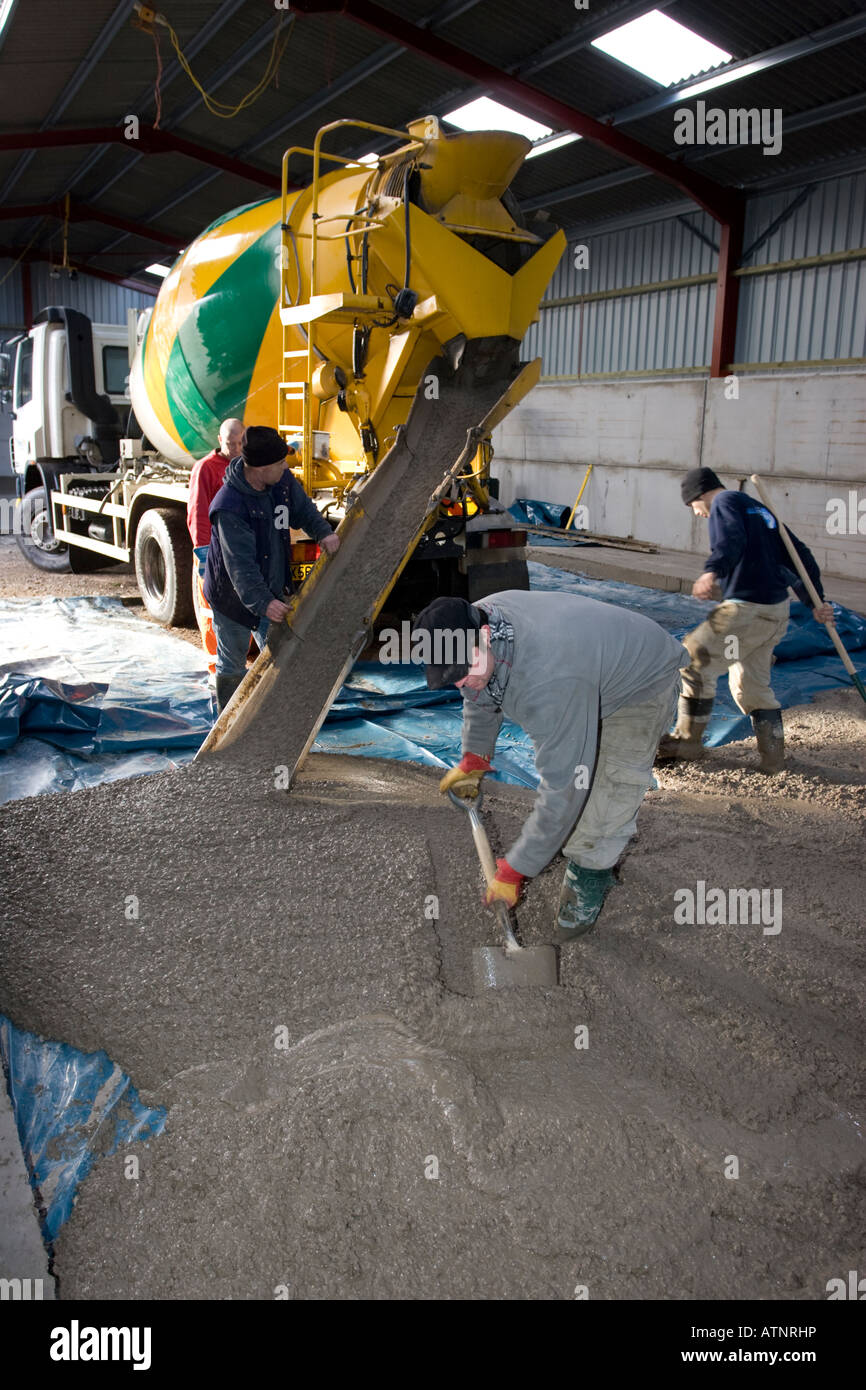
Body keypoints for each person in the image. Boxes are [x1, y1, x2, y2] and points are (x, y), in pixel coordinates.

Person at [411, 591, 687, 941]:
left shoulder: (549, 679)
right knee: (576, 756)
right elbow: (481, 694)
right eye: (451, 676)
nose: (461, 682)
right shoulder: (480, 625)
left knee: (607, 794)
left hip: (641, 683)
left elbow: (565, 786)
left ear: (483, 636)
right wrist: (474, 757)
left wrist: (516, 869)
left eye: (463, 671)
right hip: (590, 668)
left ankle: (588, 882)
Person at [657, 468, 834, 773]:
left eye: (693, 507)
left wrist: (712, 570)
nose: (698, 514)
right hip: (776, 612)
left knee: (694, 658)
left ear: (698, 495)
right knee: (751, 687)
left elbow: (730, 540)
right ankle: (773, 760)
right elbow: (798, 554)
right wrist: (814, 600)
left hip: (747, 610)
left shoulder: (724, 503)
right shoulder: (758, 508)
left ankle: (687, 744)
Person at [203, 425, 339, 712]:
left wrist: (324, 533)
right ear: (260, 468)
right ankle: (228, 728)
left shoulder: (282, 481)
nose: (285, 466)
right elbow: (240, 567)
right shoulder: (229, 507)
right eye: (279, 463)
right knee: (232, 661)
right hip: (233, 598)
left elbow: (303, 509)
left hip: (271, 589)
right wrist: (264, 603)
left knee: (282, 654)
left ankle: (276, 717)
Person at [187, 418, 244, 677]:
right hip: (213, 553)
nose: (235, 448)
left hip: (238, 553)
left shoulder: (245, 467)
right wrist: (203, 553)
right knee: (212, 611)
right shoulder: (205, 469)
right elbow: (198, 512)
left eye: (239, 443)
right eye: (230, 444)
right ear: (220, 441)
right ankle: (216, 670)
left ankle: (234, 663)